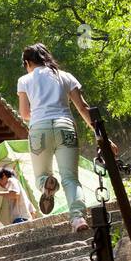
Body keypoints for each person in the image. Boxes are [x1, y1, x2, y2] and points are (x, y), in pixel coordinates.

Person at [17, 43, 92, 232]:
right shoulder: (65, 76)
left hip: (39, 130)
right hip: (65, 126)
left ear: (27, 62)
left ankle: (46, 184)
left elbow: (24, 113)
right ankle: (78, 219)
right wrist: (101, 136)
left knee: (41, 175)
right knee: (71, 179)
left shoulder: (24, 80)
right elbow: (83, 108)